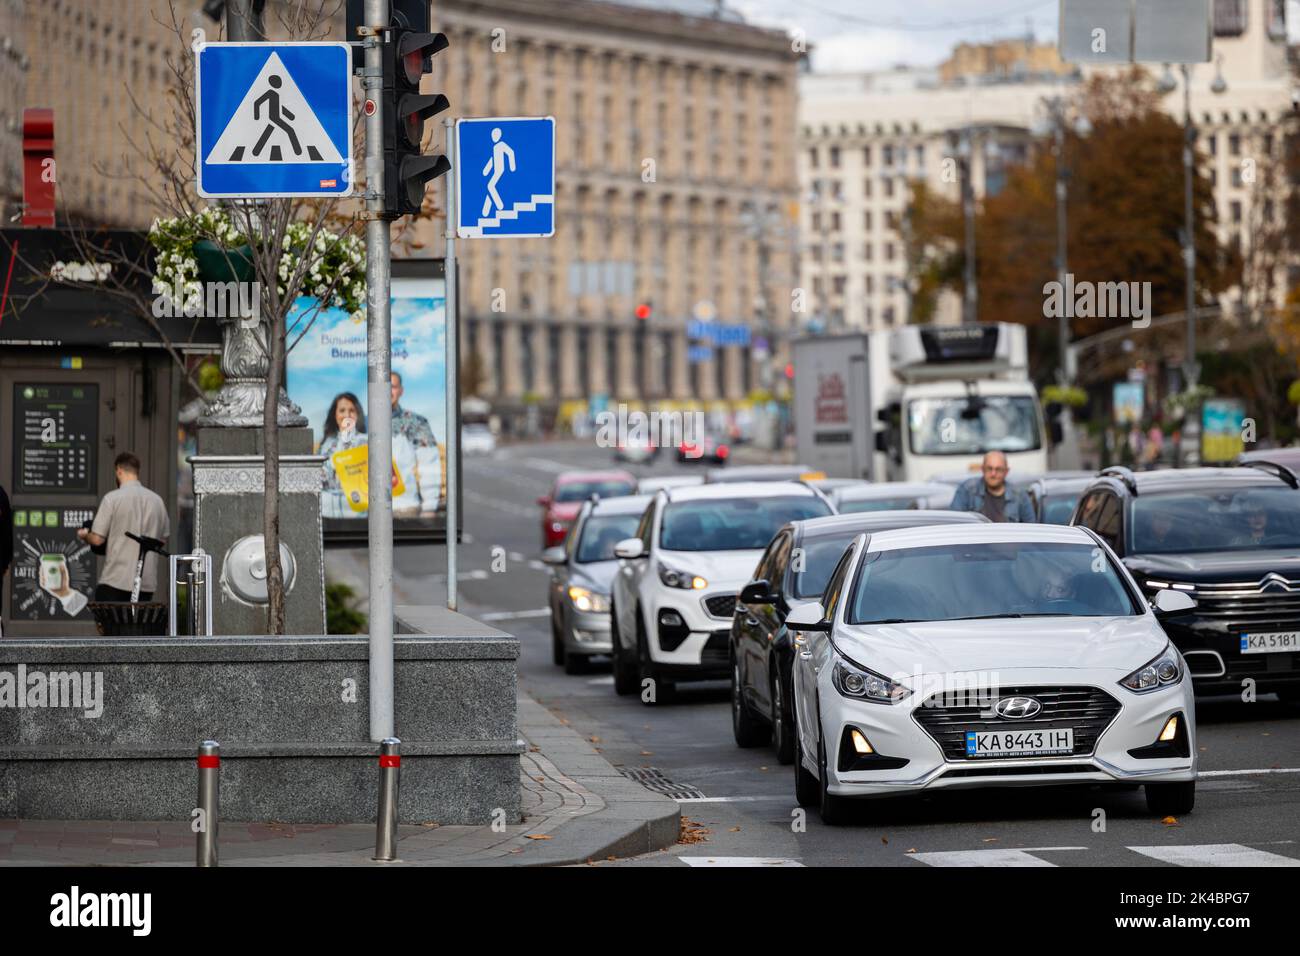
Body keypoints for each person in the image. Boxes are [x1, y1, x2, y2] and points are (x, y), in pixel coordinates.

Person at [77, 452, 169, 602]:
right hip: (146, 583)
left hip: (115, 580)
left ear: (119, 470)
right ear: (136, 471)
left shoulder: (112, 499)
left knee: (111, 623)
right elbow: (162, 539)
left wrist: (84, 535)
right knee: (138, 624)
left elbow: (97, 540)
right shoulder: (157, 501)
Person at [390, 371, 441, 518]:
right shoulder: (364, 424)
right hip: (365, 511)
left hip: (404, 508)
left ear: (401, 391)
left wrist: (429, 505)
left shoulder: (416, 423)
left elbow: (430, 464)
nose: (386, 391)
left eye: (392, 386)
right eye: (382, 385)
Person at [950, 451, 1036, 523]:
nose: (993, 474)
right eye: (989, 468)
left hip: (1008, 542)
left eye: (998, 469)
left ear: (1006, 471)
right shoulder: (967, 490)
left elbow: (1031, 529)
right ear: (983, 469)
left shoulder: (1020, 495)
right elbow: (954, 523)